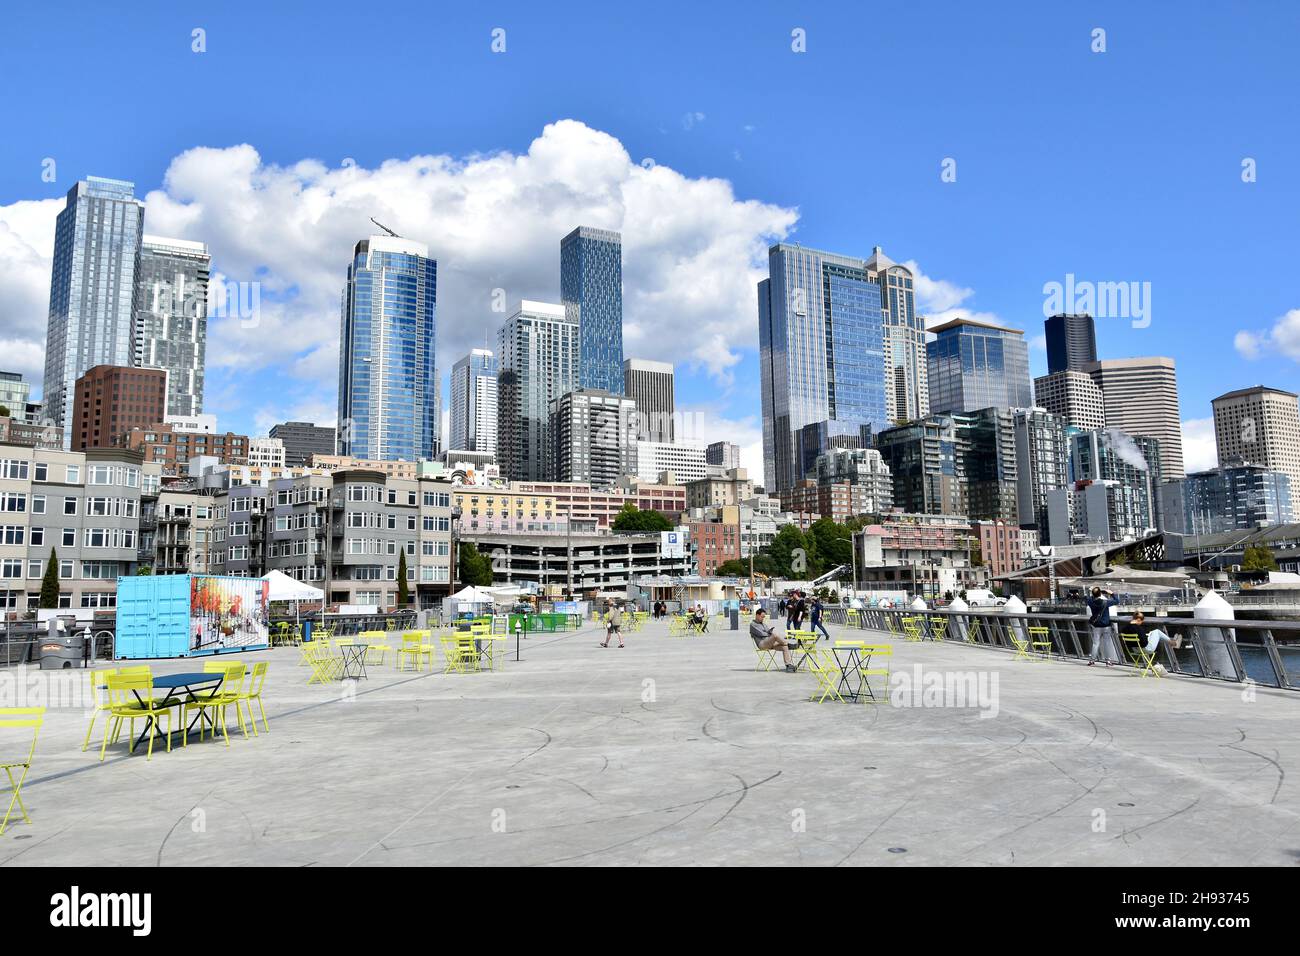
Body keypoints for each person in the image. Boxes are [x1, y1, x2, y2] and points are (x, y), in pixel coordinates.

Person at [749, 607, 796, 672]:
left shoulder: (763, 624)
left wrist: (769, 631)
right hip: (762, 644)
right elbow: (761, 634)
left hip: (769, 642)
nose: (763, 618)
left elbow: (767, 632)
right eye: (762, 617)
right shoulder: (753, 625)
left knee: (784, 647)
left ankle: (788, 665)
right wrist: (769, 633)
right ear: (757, 615)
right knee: (775, 635)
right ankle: (788, 643)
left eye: (764, 617)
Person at [1086, 587, 1119, 666]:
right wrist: (1111, 593)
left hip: (1096, 626)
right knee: (1107, 643)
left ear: (1093, 594)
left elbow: (1089, 598)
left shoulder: (1090, 602)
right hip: (1106, 625)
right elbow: (1117, 601)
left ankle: (1092, 660)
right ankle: (1108, 661)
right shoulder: (1105, 602)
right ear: (1100, 594)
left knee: (1095, 643)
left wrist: (1093, 592)